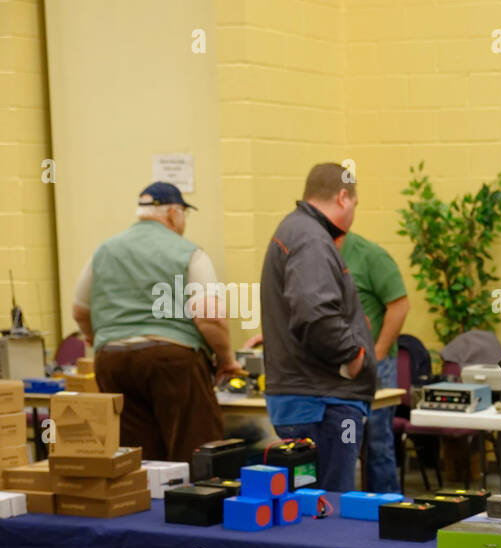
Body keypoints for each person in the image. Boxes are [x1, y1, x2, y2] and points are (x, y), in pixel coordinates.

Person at [71, 182, 239, 462]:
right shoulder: (189, 252)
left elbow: (79, 311)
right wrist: (226, 359)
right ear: (173, 213)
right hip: (172, 360)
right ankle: (195, 505)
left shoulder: (103, 251)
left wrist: (96, 336)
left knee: (138, 459)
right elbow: (209, 316)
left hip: (112, 361)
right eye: (185, 213)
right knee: (195, 450)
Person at [260, 163, 376, 492]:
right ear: (343, 197)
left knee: (307, 513)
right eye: (355, 203)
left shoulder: (298, 232)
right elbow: (315, 312)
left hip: (310, 397)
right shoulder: (311, 239)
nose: (354, 211)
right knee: (327, 515)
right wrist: (353, 356)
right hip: (323, 403)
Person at [339, 230, 409, 493]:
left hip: (375, 366)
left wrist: (377, 353)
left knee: (377, 443)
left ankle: (385, 510)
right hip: (337, 368)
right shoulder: (315, 254)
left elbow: (400, 305)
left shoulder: (370, 255)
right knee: (343, 442)